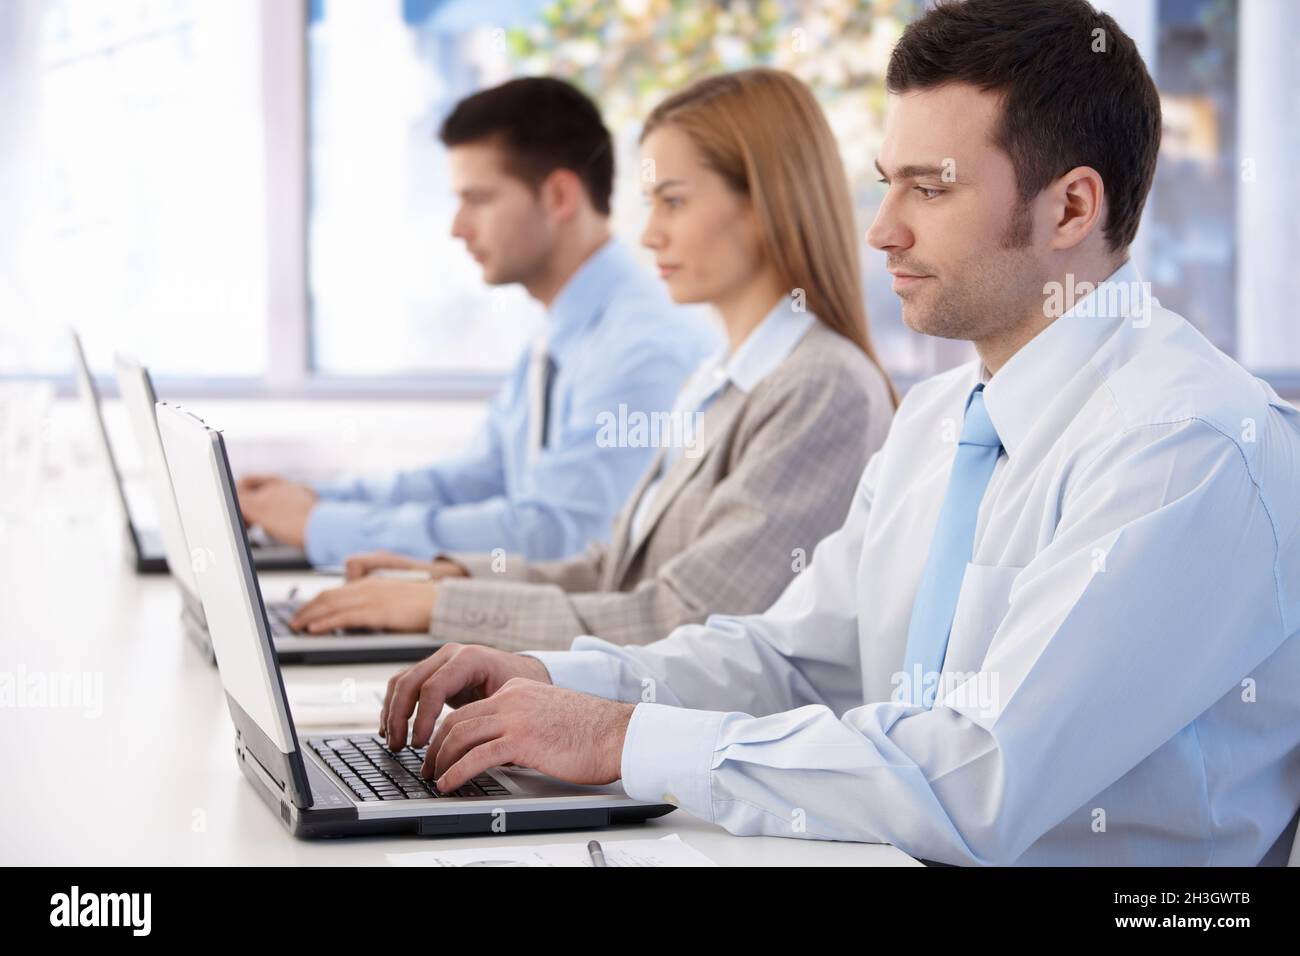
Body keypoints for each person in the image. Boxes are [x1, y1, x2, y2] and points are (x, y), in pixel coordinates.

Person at [373, 0, 1300, 866]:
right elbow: (793, 661)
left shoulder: (1187, 446)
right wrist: (557, 679)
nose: (882, 231)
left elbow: (976, 776)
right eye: (886, 185)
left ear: (1071, 208)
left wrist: (619, 737)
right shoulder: (942, 418)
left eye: (930, 190)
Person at [287, 70, 896, 650]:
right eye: (650, 203)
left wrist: (444, 608)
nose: (650, 234)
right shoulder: (720, 377)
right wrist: (453, 579)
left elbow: (689, 619)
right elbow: (615, 570)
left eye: (674, 202)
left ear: (765, 203)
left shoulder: (821, 387)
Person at [237, 77, 717, 568]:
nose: (457, 227)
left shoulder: (642, 348)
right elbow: (475, 479)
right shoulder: (559, 334)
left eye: (478, 199)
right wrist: (315, 502)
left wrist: (323, 527)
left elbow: (562, 535)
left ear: (558, 197)